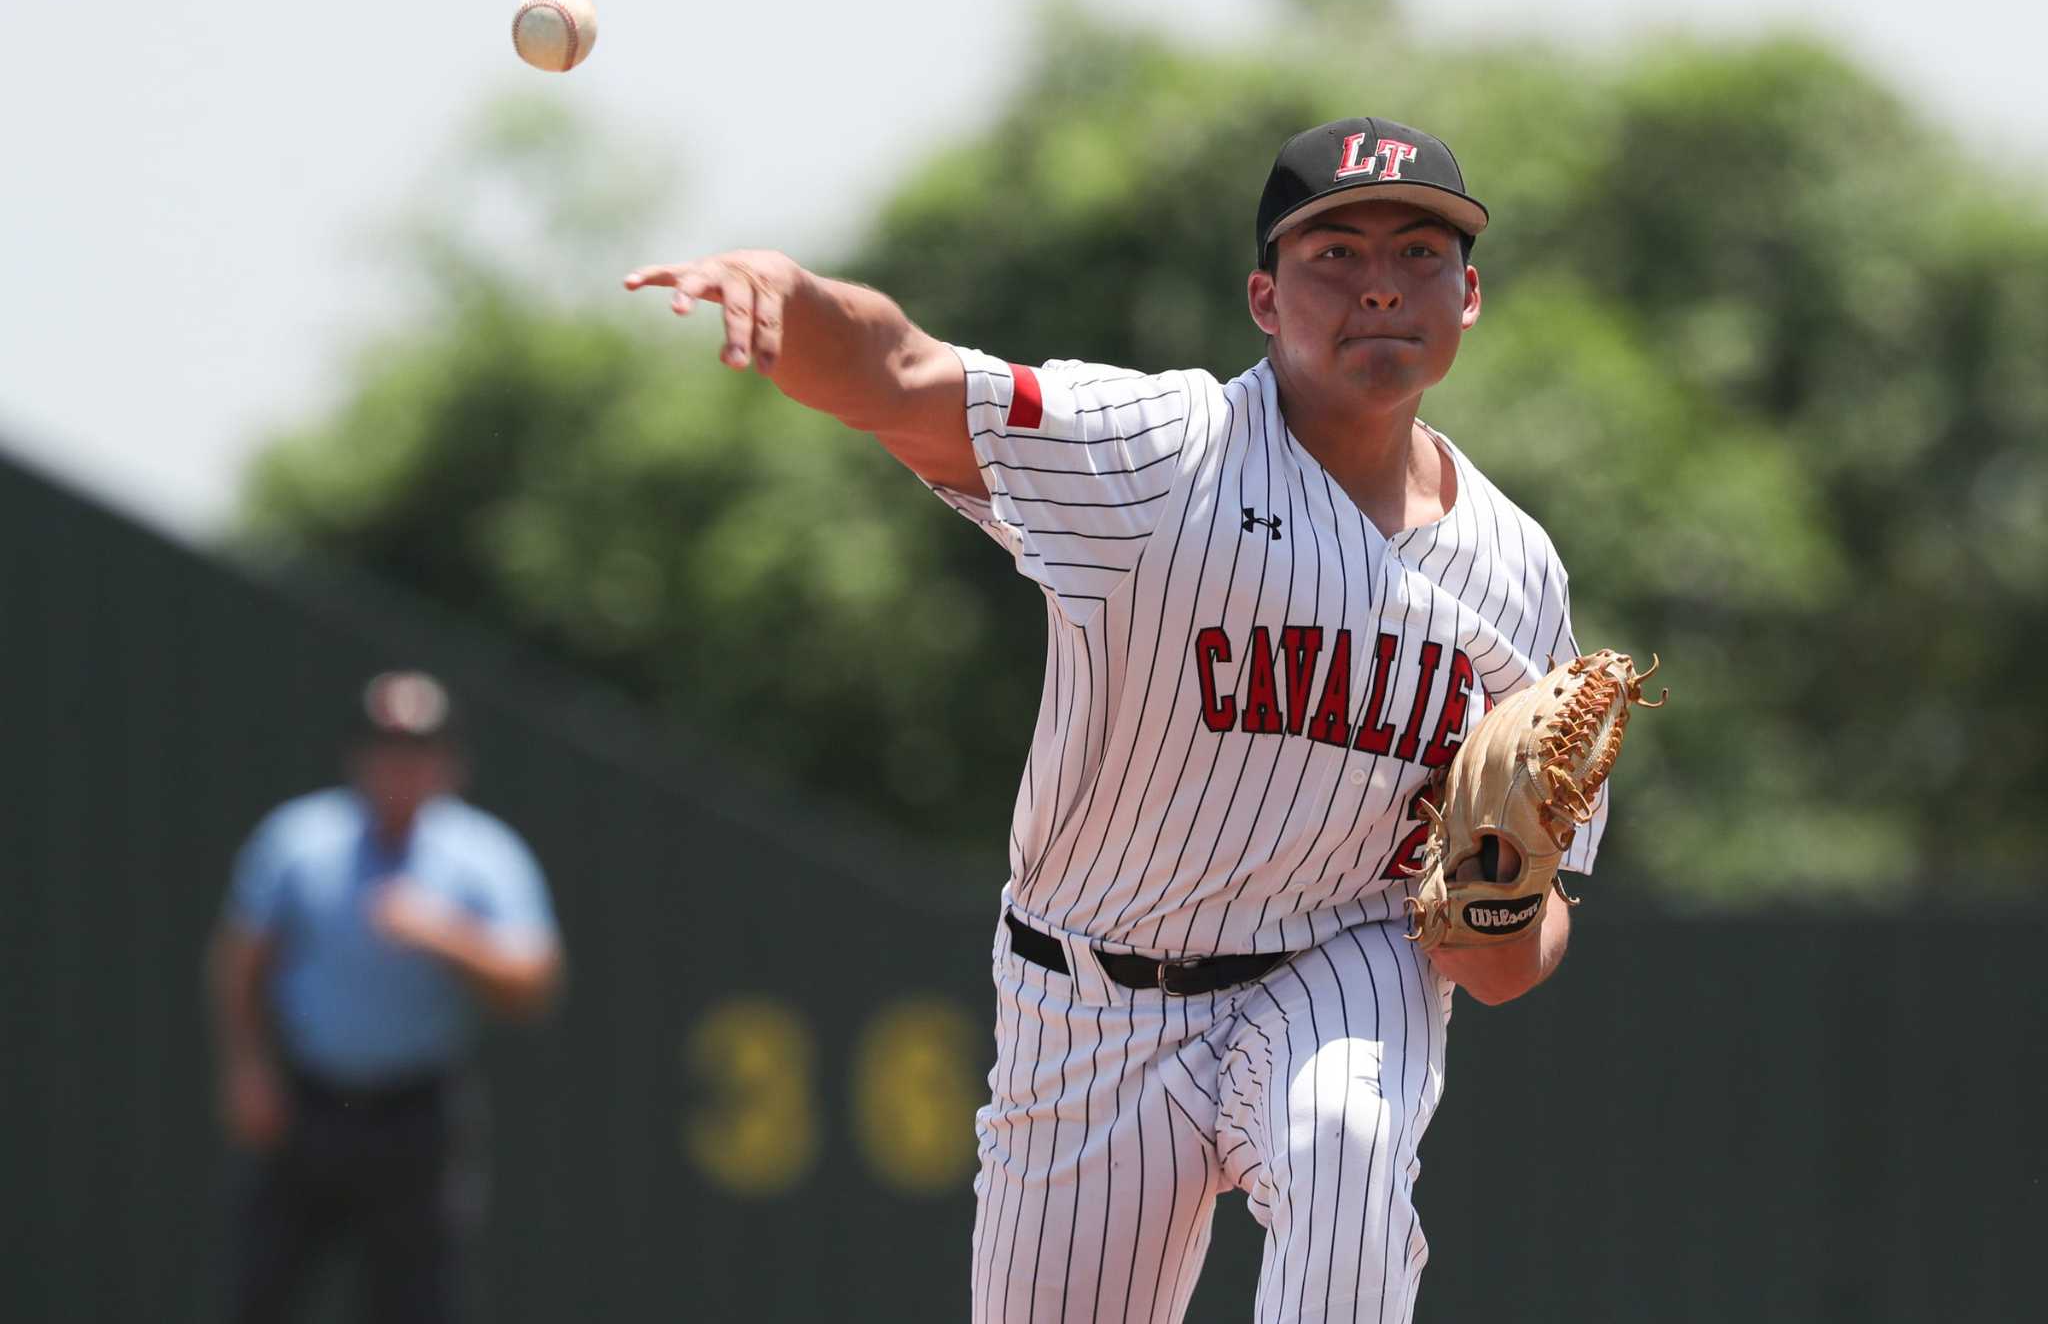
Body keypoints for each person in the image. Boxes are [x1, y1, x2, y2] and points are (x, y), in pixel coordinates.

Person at [625, 118, 1606, 1323]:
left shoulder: (1517, 572)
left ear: (1467, 296)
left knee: (1345, 1145)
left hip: (1341, 958)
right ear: (1262, 294)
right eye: (1332, 254)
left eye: (1416, 252)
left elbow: (1507, 955)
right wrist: (796, 302)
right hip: (1088, 992)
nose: (1378, 285)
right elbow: (909, 379)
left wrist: (1508, 910)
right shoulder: (1163, 453)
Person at [208, 670, 564, 1324]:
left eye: (420, 748)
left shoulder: (482, 856)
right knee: (261, 1293)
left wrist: (444, 933)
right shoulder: (298, 841)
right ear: (358, 755)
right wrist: (247, 1067)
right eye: (385, 745)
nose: (401, 764)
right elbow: (240, 961)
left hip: (416, 1116)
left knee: (415, 1306)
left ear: (451, 762)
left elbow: (535, 983)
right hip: (307, 1105)